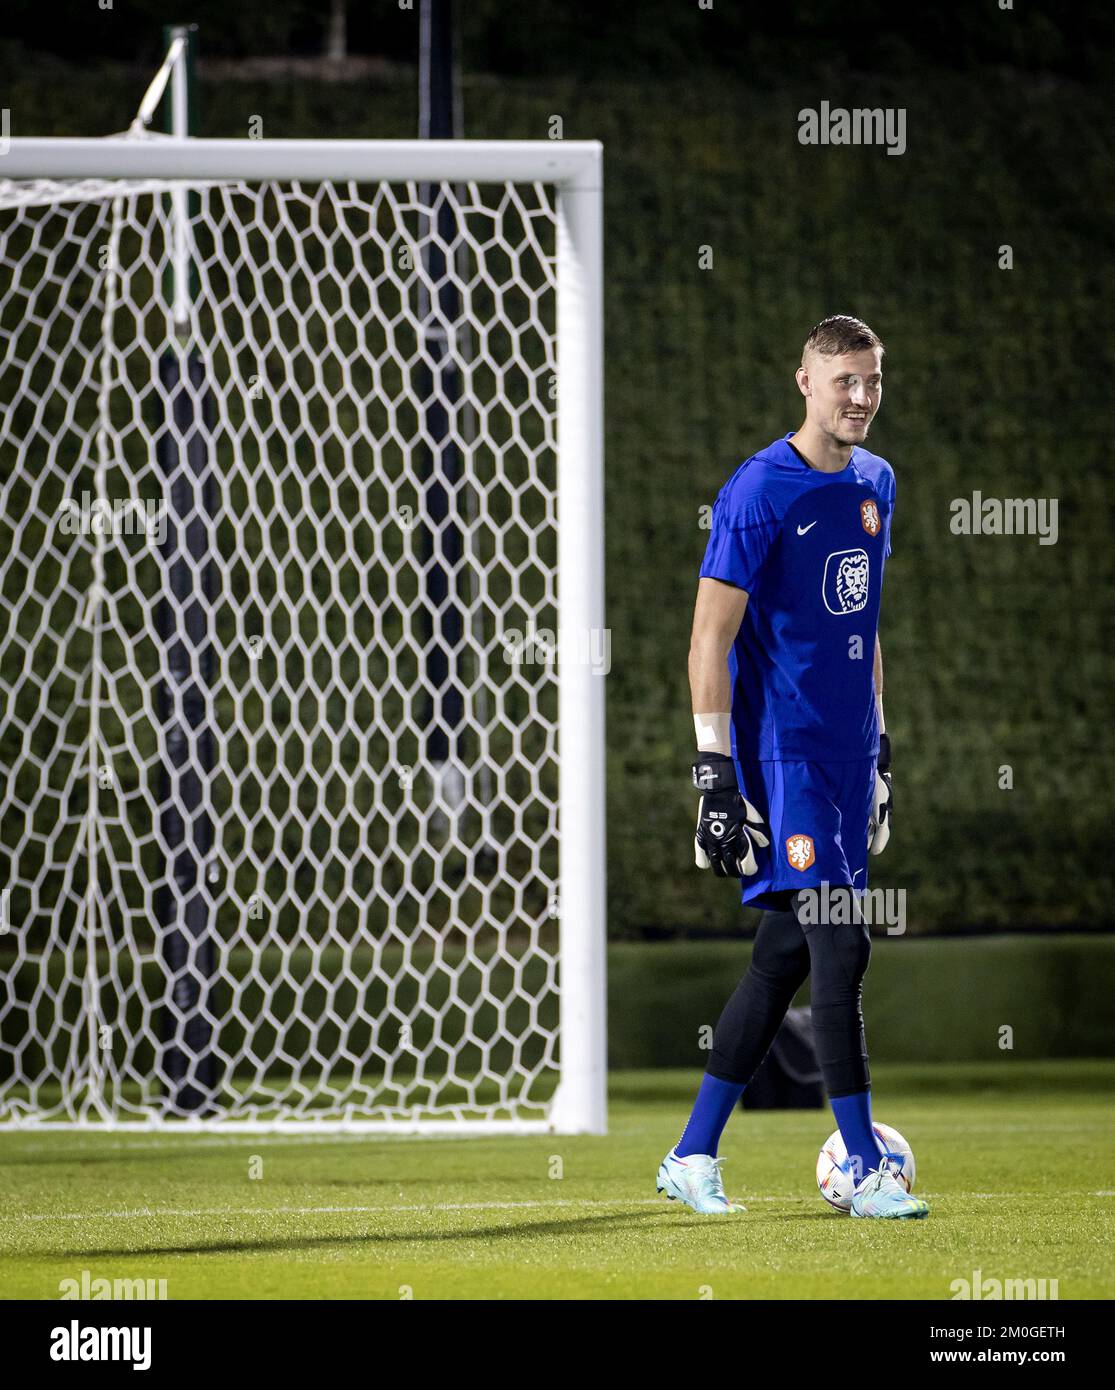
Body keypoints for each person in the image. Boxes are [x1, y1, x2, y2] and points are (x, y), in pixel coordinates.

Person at [656, 315, 927, 1220]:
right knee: (841, 946)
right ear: (804, 382)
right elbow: (708, 638)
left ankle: (690, 1155)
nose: (860, 396)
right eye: (843, 379)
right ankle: (867, 1169)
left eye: (871, 379)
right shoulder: (757, 488)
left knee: (780, 960)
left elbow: (864, 623)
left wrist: (880, 750)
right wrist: (714, 775)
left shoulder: (877, 482)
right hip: (786, 759)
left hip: (847, 760)